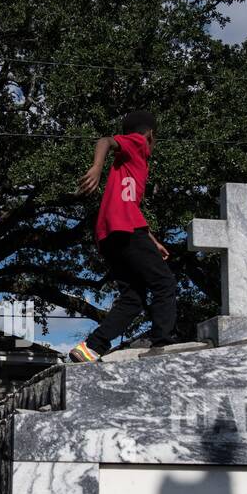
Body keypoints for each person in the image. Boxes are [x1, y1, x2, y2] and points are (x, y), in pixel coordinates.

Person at [68, 110, 177, 363]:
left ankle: (91, 347)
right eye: (155, 139)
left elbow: (130, 206)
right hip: (125, 230)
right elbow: (105, 140)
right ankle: (162, 344)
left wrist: (152, 240)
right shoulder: (138, 143)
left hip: (111, 235)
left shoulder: (129, 165)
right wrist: (96, 168)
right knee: (164, 282)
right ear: (150, 135)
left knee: (133, 297)